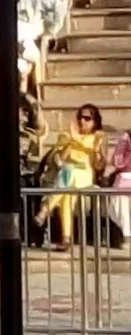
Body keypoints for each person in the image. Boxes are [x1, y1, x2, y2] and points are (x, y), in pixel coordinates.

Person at [34, 105, 105, 251]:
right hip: (66, 175)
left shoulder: (98, 137)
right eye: (80, 118)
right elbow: (56, 158)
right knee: (66, 196)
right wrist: (66, 149)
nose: (82, 121)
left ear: (95, 121)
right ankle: (66, 238)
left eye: (87, 118)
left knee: (70, 174)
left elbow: (98, 164)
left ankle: (45, 210)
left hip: (84, 173)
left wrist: (76, 140)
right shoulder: (68, 136)